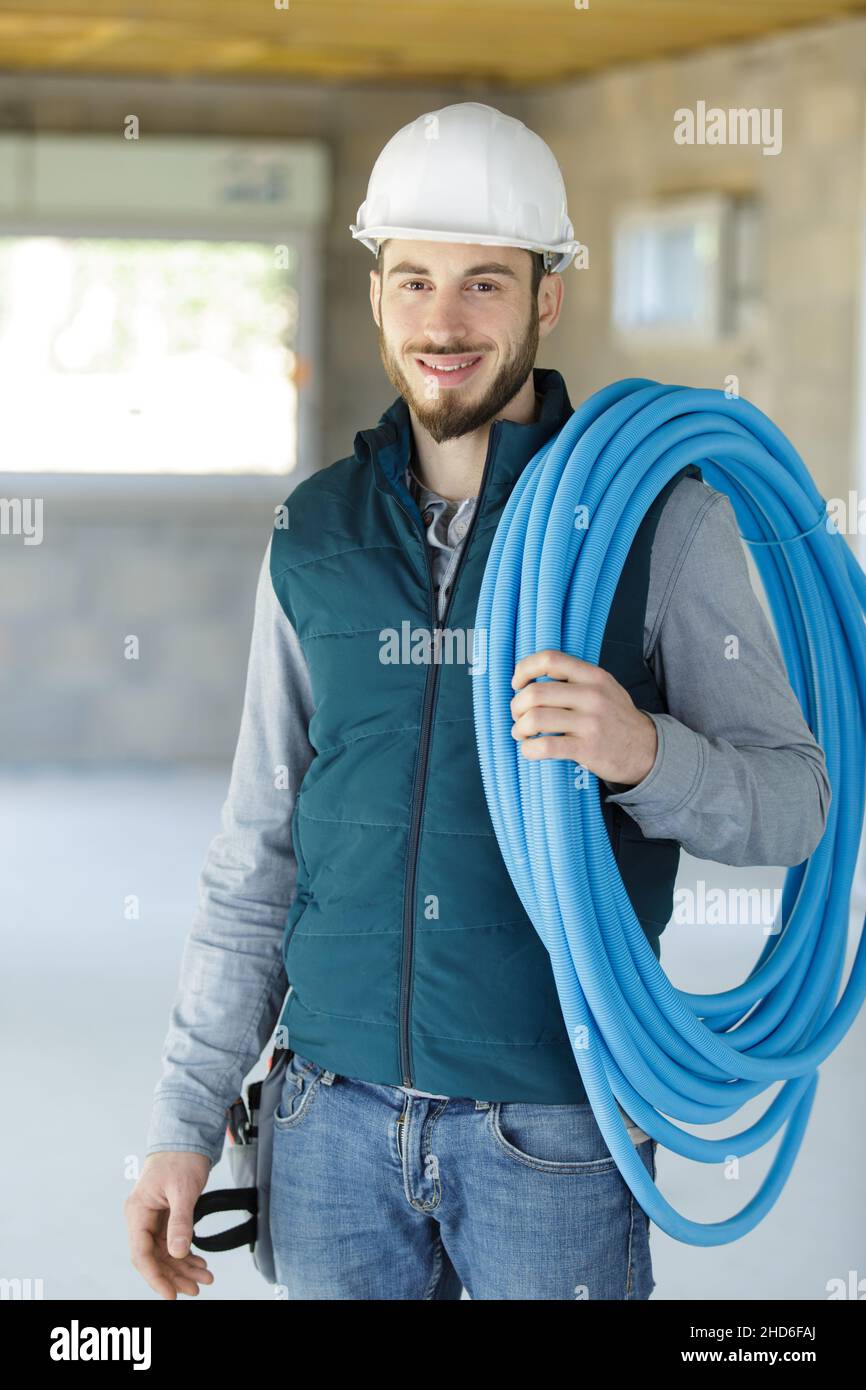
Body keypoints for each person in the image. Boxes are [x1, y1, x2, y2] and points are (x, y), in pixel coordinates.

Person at [124, 102, 830, 1301]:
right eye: (412, 282)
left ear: (545, 298)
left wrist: (642, 752)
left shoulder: (660, 521)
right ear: (375, 293)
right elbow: (258, 853)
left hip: (549, 1129)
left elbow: (794, 806)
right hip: (325, 1124)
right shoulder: (312, 533)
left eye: (483, 285)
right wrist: (185, 1119)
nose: (441, 324)